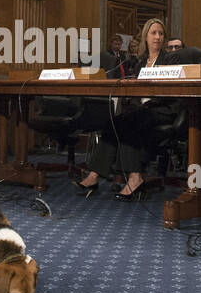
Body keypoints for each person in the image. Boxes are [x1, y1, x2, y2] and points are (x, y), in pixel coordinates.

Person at [75, 17, 176, 200]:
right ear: (146, 37)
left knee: (129, 122)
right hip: (142, 110)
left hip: (162, 109)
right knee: (114, 122)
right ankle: (94, 175)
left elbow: (172, 90)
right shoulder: (139, 63)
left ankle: (134, 177)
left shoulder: (170, 59)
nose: (157, 37)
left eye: (161, 33)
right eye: (153, 33)